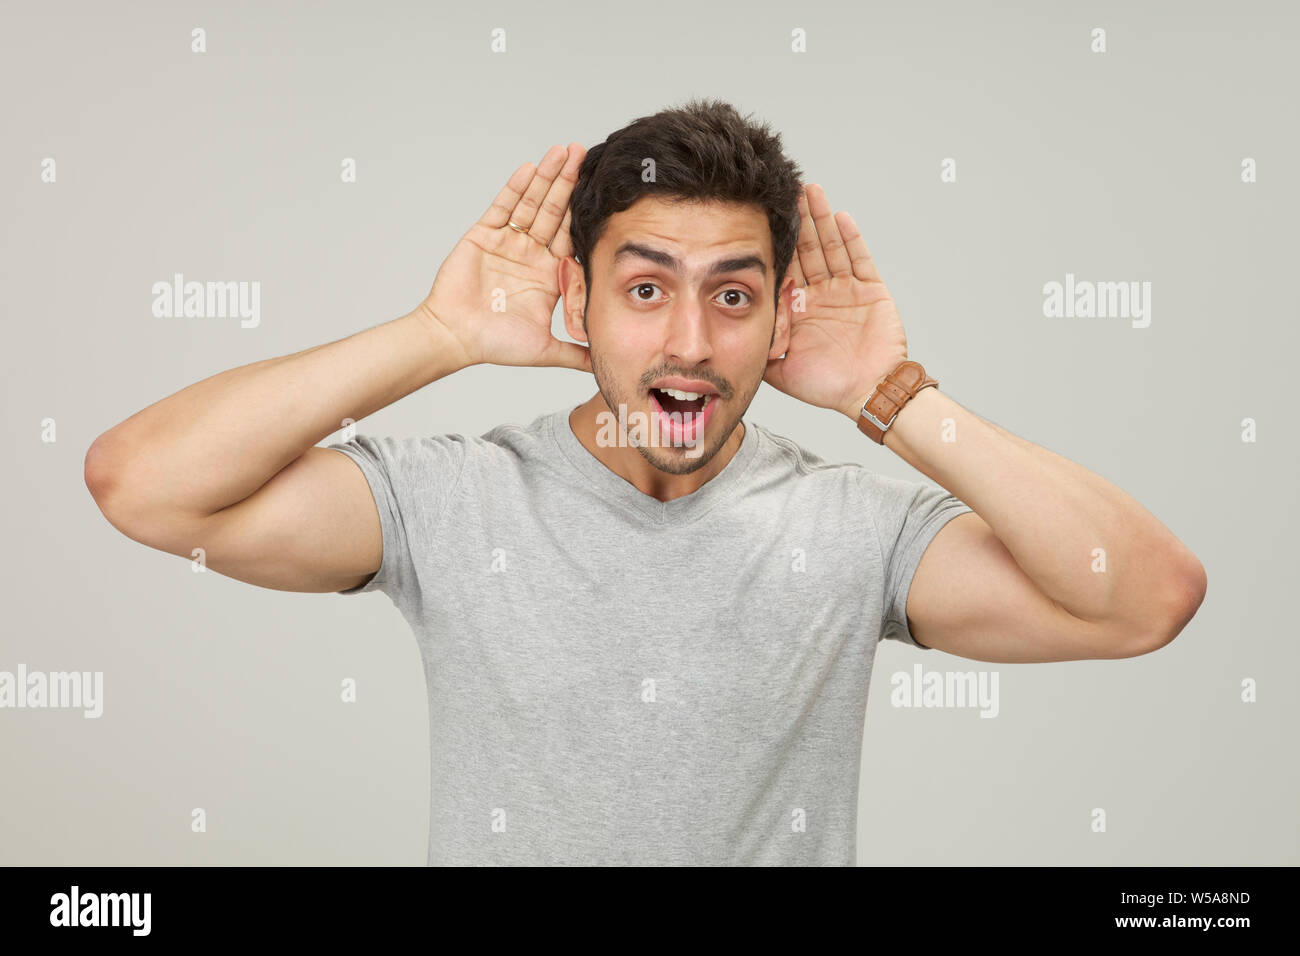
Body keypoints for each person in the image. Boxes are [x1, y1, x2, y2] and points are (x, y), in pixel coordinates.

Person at [84, 97, 1206, 865]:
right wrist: (439, 333)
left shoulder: (850, 532)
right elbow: (146, 485)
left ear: (778, 319)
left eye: (731, 294)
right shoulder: (457, 499)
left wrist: (892, 393)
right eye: (645, 287)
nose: (689, 342)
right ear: (577, 296)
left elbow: (1144, 596)